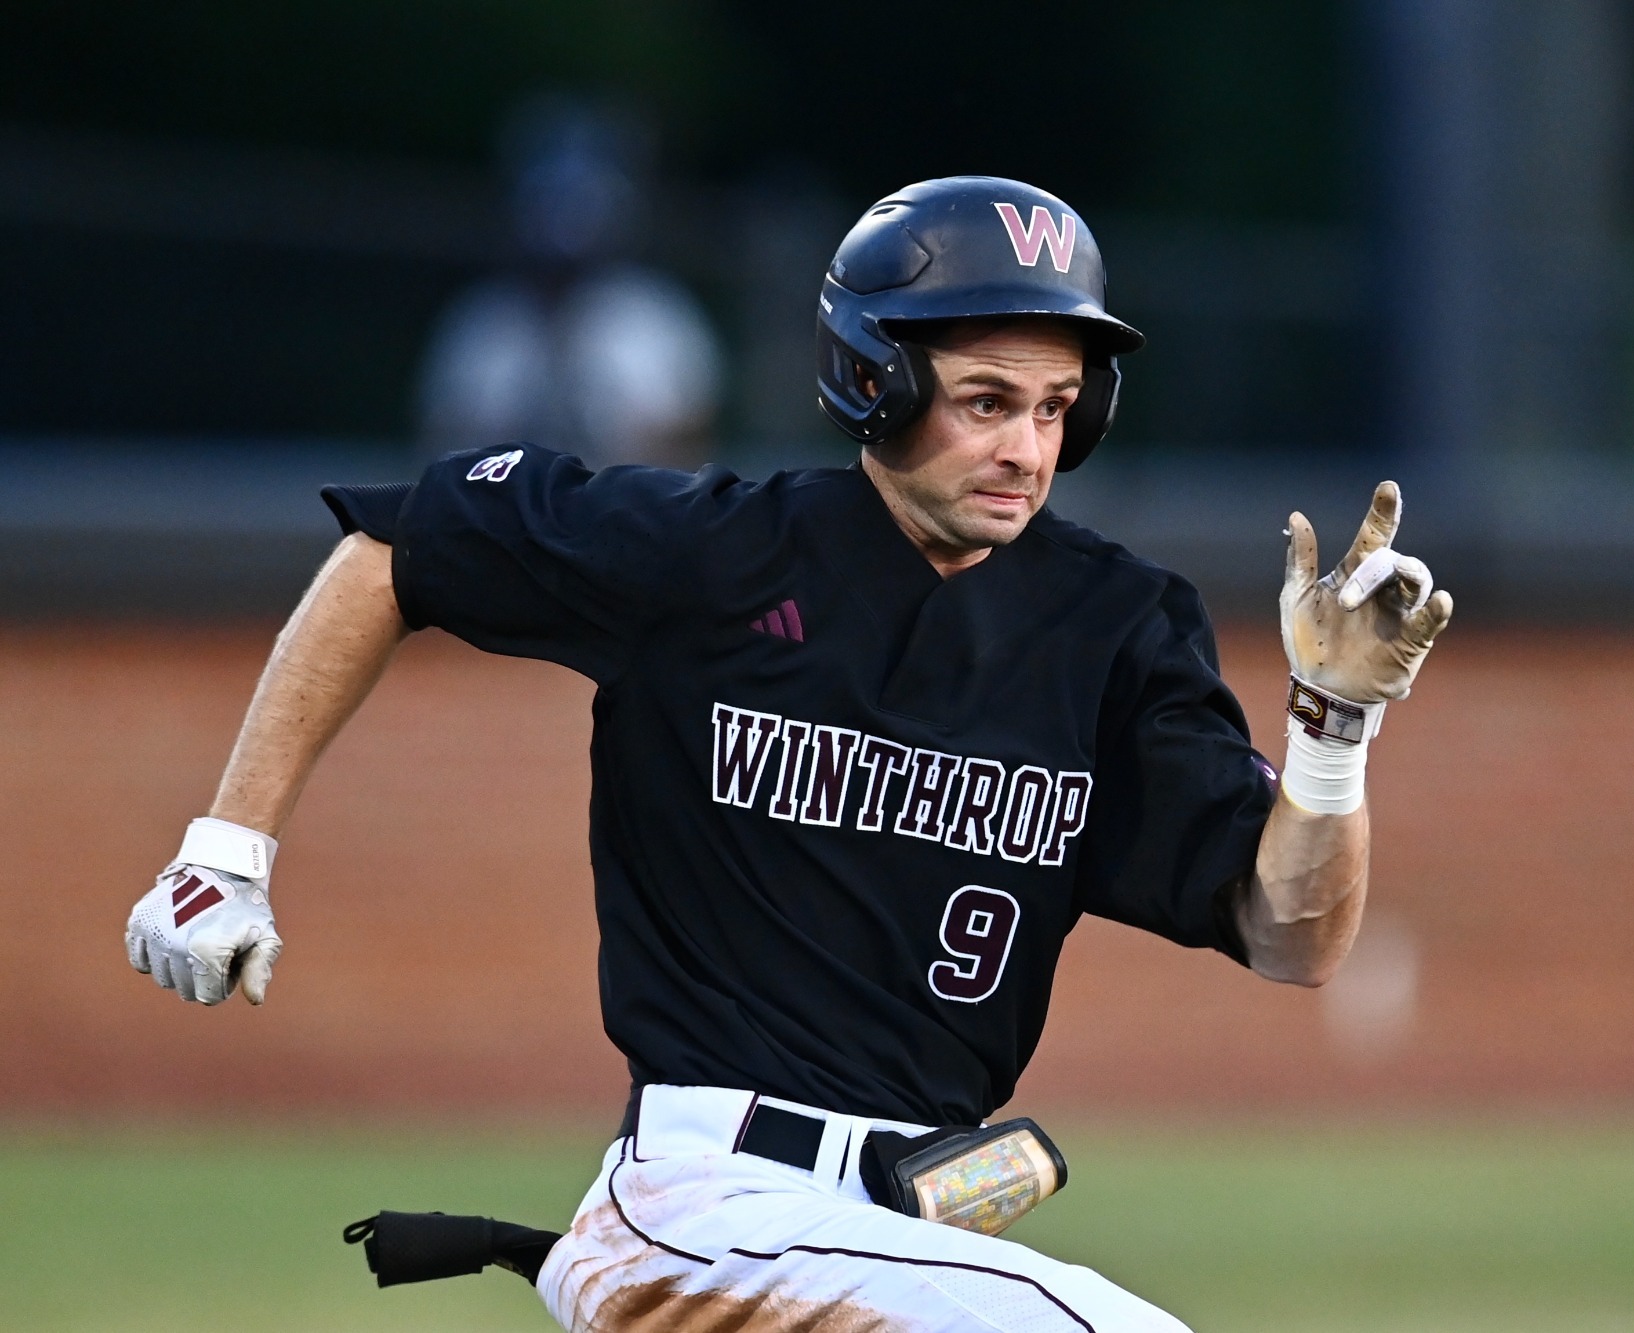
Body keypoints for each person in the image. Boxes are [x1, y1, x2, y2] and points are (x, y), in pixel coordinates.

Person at [125, 176, 1452, 1331]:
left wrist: (1334, 731)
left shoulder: (1112, 629)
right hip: (704, 1201)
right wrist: (224, 851)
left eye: (1057, 407)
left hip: (910, 1230)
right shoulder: (713, 555)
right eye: (987, 399)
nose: (1027, 447)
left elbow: (1294, 936)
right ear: (876, 378)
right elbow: (396, 550)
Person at [415, 96, 724, 470]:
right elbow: (445, 448)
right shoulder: (483, 322)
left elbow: (688, 452)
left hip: (626, 519)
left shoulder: (657, 320)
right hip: (505, 522)